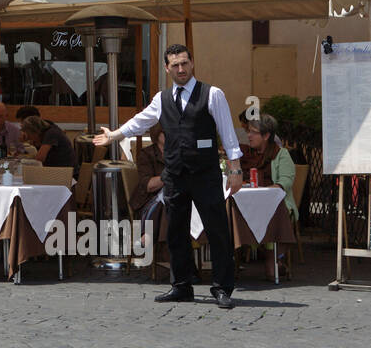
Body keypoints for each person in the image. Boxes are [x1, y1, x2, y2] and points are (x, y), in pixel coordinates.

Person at [94, 43, 244, 309]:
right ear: (167, 68)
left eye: (185, 63)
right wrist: (114, 135)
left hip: (206, 173)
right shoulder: (162, 99)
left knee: (217, 230)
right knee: (175, 232)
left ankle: (222, 287)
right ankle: (181, 285)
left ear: (192, 63)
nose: (181, 68)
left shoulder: (212, 94)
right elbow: (140, 121)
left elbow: (227, 132)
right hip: (175, 174)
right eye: (175, 65)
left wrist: (235, 169)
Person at [239, 114, 297, 281]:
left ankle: (273, 259)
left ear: (266, 136)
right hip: (249, 202)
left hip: (277, 204)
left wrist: (264, 193)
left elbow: (285, 181)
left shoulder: (281, 154)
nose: (249, 135)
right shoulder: (247, 155)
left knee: (271, 213)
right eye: (249, 131)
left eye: (253, 132)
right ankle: (233, 258)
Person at [131, 125, 168, 239]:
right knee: (168, 207)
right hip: (148, 199)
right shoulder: (146, 154)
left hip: (173, 197)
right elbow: (148, 186)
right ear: (157, 134)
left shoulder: (178, 153)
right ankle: (164, 251)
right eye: (166, 132)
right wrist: (168, 174)